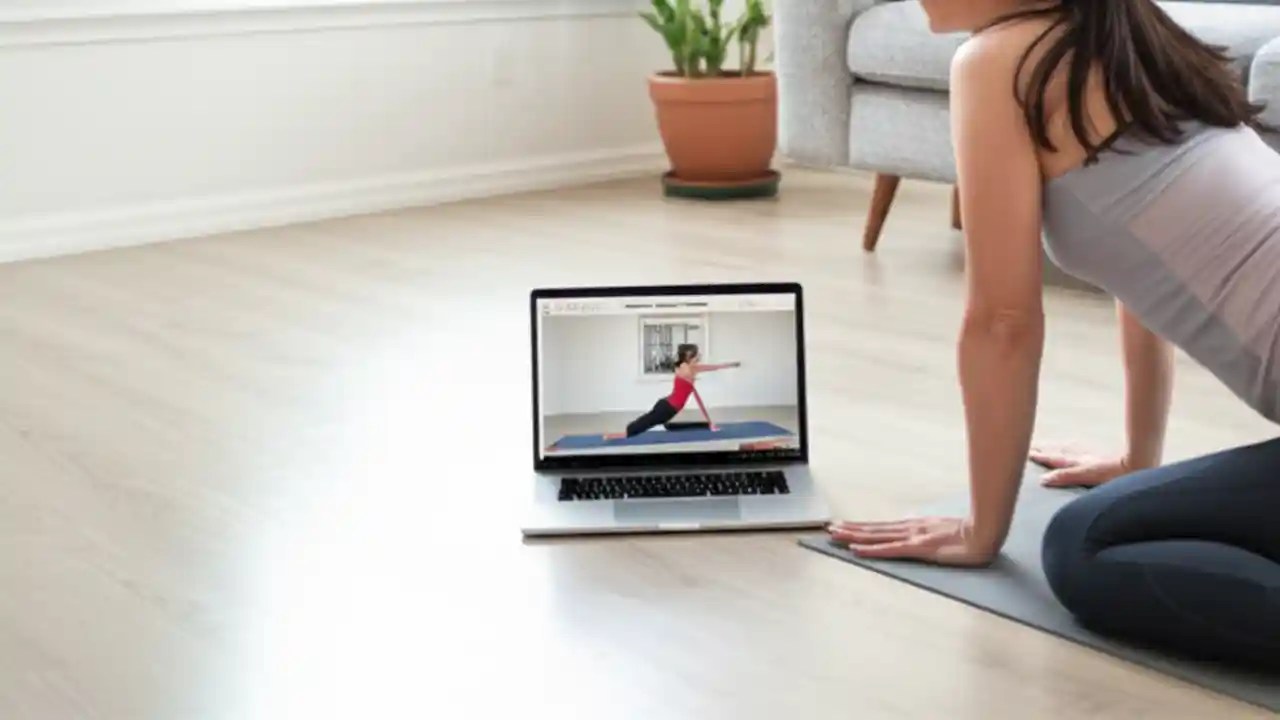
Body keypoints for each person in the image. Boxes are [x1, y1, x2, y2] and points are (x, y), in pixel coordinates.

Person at [827, 0, 1280, 670]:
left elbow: (1001, 323)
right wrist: (1137, 456)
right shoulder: (1132, 35)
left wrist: (980, 529)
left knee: (1084, 543)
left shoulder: (999, 61)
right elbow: (1146, 266)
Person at [605, 344, 741, 440]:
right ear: (688, 356)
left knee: (648, 423)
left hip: (669, 406)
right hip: (668, 407)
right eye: (696, 354)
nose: (699, 355)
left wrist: (730, 365)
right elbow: (688, 370)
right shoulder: (684, 367)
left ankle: (623, 434)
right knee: (643, 425)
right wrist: (694, 364)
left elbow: (713, 367)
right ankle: (616, 436)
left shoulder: (692, 367)